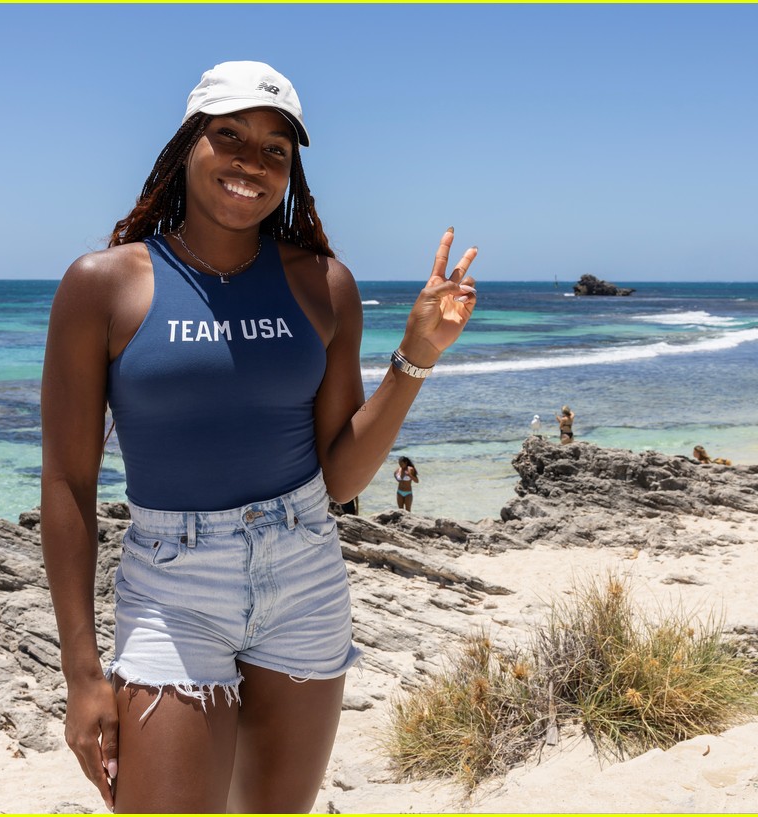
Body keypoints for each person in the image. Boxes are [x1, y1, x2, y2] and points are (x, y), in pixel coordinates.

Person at [39, 60, 478, 813]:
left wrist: (416, 359)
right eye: (230, 136)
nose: (252, 161)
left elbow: (340, 479)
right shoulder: (103, 284)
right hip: (171, 587)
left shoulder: (323, 283)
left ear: (292, 171)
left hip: (305, 574)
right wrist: (82, 672)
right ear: (188, 147)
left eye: (277, 148)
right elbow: (69, 482)